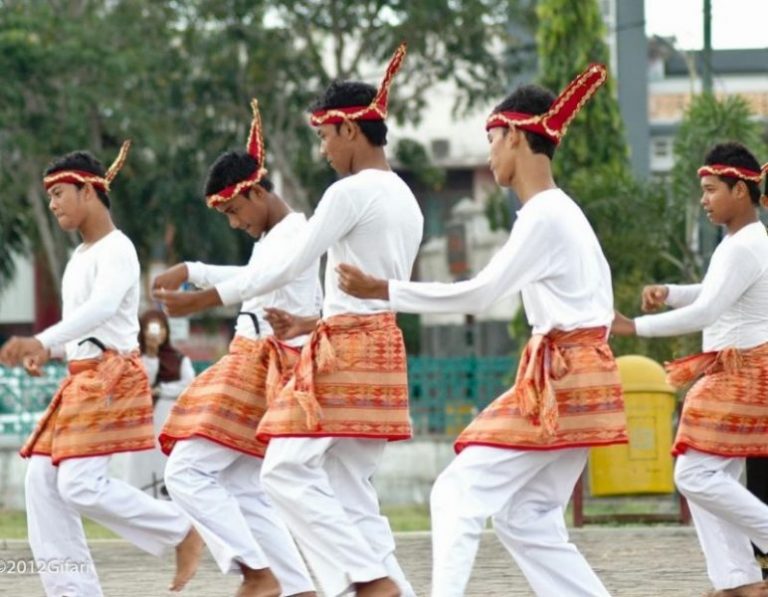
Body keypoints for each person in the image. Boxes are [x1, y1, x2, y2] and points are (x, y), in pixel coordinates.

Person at [337, 64, 628, 597]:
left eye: (492, 140)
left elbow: (478, 294)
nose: (490, 154)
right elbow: (602, 314)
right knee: (528, 517)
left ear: (515, 136)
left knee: (455, 493)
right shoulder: (564, 214)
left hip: (563, 379)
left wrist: (387, 291)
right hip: (583, 378)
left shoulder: (544, 215)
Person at [155, 45, 421, 597]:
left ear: (348, 128)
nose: (322, 151)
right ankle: (368, 584)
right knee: (349, 493)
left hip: (344, 350)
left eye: (324, 137)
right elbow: (364, 284)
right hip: (377, 346)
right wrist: (304, 320)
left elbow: (292, 263)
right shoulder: (406, 199)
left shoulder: (347, 193)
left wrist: (202, 296)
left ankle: (365, 582)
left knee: (282, 474)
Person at [0, 143, 203, 596]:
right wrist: (48, 353)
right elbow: (88, 329)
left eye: (58, 194)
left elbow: (104, 309)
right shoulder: (78, 259)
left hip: (112, 378)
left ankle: (181, 530)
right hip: (84, 377)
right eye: (49, 196)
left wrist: (40, 339)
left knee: (79, 484)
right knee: (42, 478)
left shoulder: (119, 248)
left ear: (89, 191)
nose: (52, 205)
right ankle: (73, 591)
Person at [154, 100, 320, 597]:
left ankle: (254, 571)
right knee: (246, 487)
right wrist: (191, 269)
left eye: (233, 210)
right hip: (259, 361)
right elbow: (252, 275)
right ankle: (295, 588)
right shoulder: (274, 235)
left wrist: (198, 298)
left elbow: (260, 278)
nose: (232, 222)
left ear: (255, 191)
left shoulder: (297, 233)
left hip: (262, 362)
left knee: (186, 470)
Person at [612, 142, 768, 596]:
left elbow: (709, 311)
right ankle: (739, 580)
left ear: (740, 190)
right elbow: (713, 293)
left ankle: (743, 571)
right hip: (738, 373)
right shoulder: (745, 242)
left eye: (711, 189)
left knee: (694, 475)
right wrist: (672, 291)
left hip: (742, 375)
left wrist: (633, 326)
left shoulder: (745, 246)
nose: (703, 199)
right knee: (714, 479)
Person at [122, 309, 195, 497]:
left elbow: (188, 384)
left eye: (161, 328)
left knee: (166, 463)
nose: (157, 333)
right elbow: (143, 382)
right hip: (143, 421)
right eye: (152, 328)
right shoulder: (136, 359)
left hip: (167, 419)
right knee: (141, 464)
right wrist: (152, 354)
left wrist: (162, 389)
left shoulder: (178, 359)